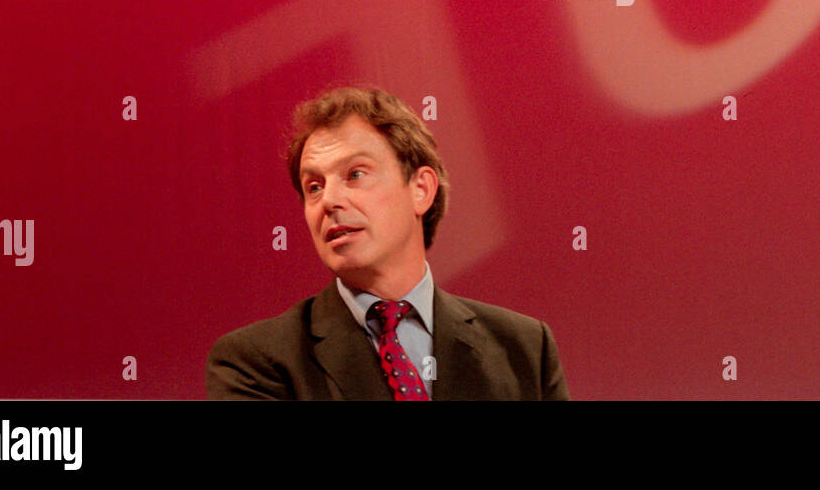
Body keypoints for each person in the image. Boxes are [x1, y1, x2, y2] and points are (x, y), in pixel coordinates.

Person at [206, 85, 569, 400]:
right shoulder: (256, 362)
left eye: (355, 174)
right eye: (313, 186)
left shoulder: (523, 348)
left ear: (421, 190)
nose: (329, 200)